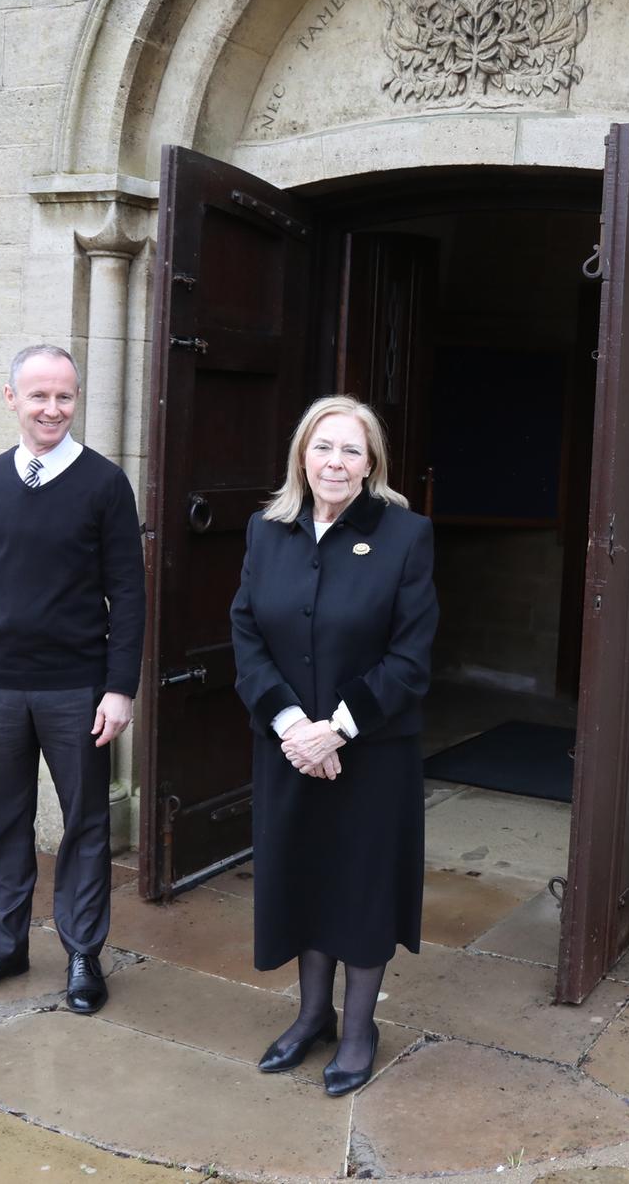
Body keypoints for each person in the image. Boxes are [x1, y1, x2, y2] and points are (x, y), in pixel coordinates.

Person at [230, 395, 437, 1096]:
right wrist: (293, 726)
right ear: (302, 456)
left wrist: (336, 728)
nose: (335, 462)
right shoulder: (267, 530)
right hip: (289, 747)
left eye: (351, 449)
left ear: (371, 460)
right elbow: (247, 636)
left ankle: (356, 1030)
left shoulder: (406, 536)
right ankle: (311, 1014)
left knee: (362, 888)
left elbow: (410, 659)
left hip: (371, 752)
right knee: (303, 876)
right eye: (324, 448)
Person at [0, 344, 145, 1016]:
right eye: (39, 396)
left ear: (74, 401)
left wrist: (120, 688)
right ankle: (3, 947)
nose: (52, 408)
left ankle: (84, 953)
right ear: (11, 399)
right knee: (5, 819)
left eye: (64, 396)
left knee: (85, 822)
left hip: (76, 688)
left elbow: (129, 593)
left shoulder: (105, 484)